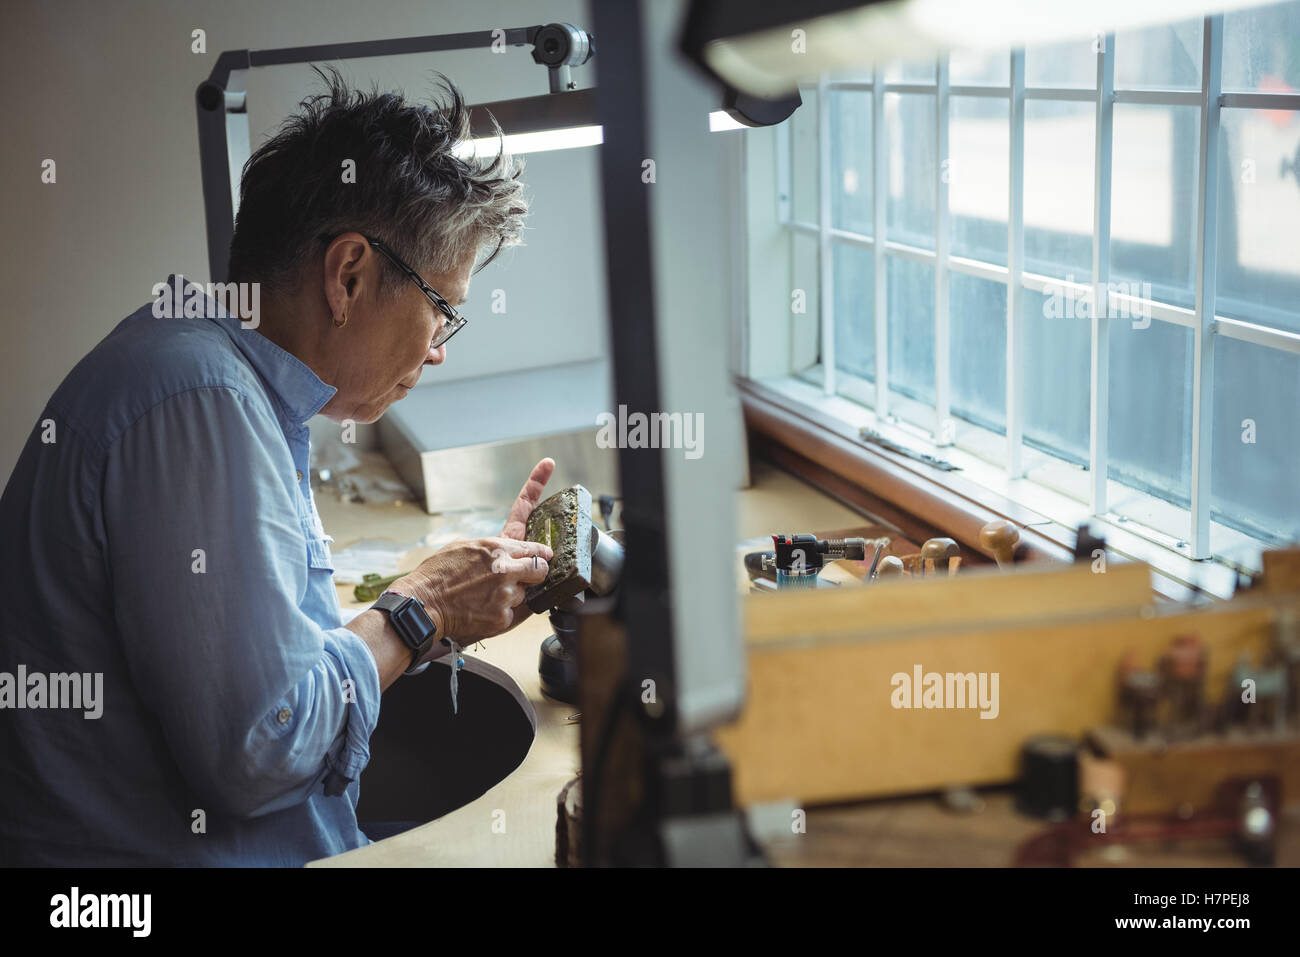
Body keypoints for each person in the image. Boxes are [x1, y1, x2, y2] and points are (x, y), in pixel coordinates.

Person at [0, 69, 553, 865]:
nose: (436, 349)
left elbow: (267, 667)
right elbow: (260, 750)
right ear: (349, 274)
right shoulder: (199, 403)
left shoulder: (197, 366)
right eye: (442, 308)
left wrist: (458, 605)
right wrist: (419, 606)